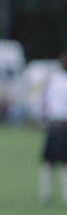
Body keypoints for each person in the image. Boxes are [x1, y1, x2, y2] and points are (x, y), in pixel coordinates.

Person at [40, 51, 67, 205]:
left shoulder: (53, 80)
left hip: (54, 124)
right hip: (62, 124)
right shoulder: (56, 80)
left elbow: (45, 102)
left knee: (48, 162)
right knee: (62, 162)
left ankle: (47, 194)